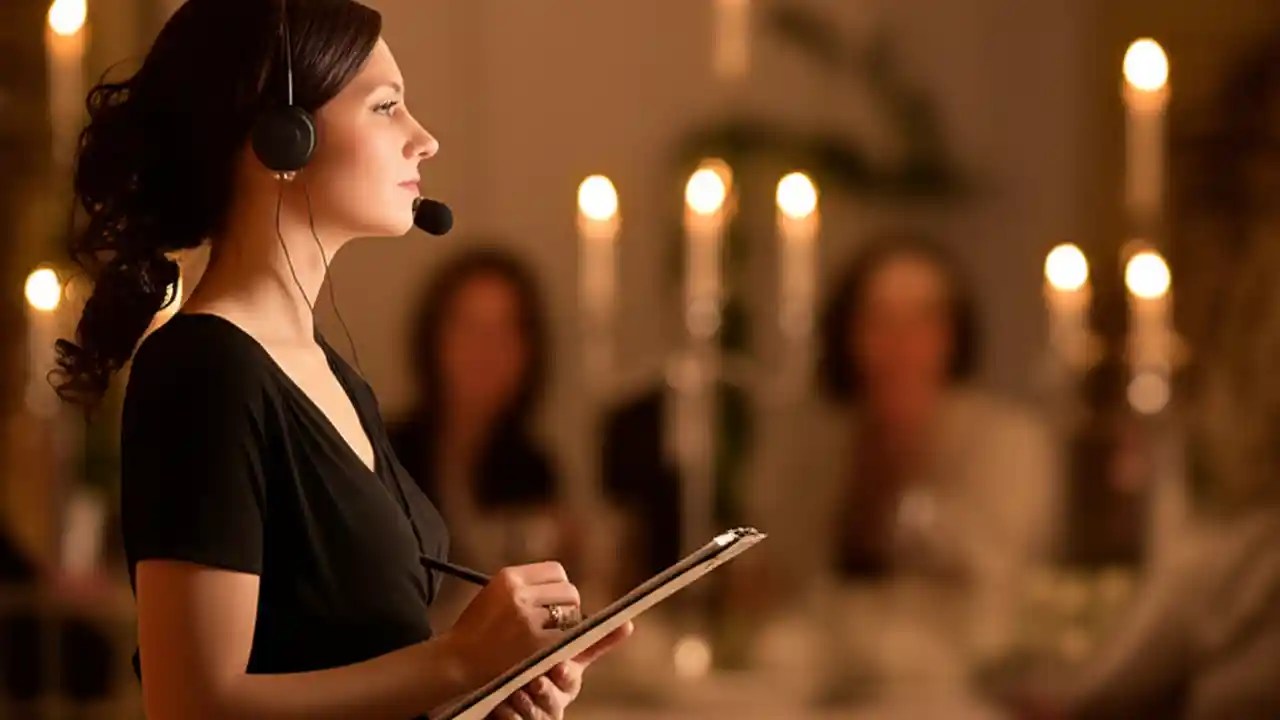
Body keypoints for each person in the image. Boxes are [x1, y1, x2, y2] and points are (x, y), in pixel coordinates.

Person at [49, 2, 628, 718]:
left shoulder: (331, 375)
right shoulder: (203, 373)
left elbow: (350, 668)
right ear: (282, 140)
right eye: (387, 108)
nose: (426, 140)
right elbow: (191, 703)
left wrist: (483, 686)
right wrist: (457, 659)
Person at [750, 232, 1060, 693]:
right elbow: (780, 576)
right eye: (879, 320)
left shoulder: (1010, 442)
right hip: (822, 672)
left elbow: (1000, 573)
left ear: (953, 335)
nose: (901, 342)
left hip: (959, 678)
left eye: (923, 320)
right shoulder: (814, 443)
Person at [389, 248, 568, 622]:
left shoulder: (534, 469)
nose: (486, 349)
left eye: (505, 330)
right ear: (433, 338)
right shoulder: (383, 455)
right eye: (469, 327)